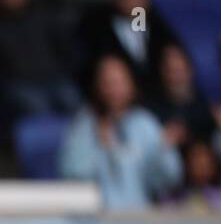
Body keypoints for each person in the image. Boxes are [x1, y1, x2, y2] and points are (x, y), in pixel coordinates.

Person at [59, 54, 183, 209]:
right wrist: (99, 148)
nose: (113, 89)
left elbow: (167, 180)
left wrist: (164, 150)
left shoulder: (145, 123)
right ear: (98, 86)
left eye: (118, 82)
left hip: (141, 220)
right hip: (98, 222)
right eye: (107, 83)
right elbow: (72, 174)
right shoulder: (86, 124)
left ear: (131, 85)